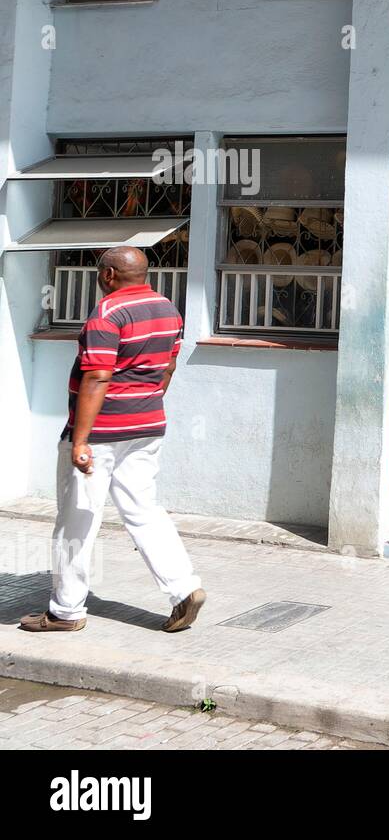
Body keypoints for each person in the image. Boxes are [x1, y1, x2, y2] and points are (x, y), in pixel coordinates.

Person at [19, 246, 207, 634]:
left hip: (101, 434)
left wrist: (80, 441)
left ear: (108, 275)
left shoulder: (107, 314)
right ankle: (184, 589)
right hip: (147, 426)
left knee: (77, 520)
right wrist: (145, 406)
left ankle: (66, 611)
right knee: (144, 510)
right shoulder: (168, 309)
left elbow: (98, 376)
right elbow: (167, 367)